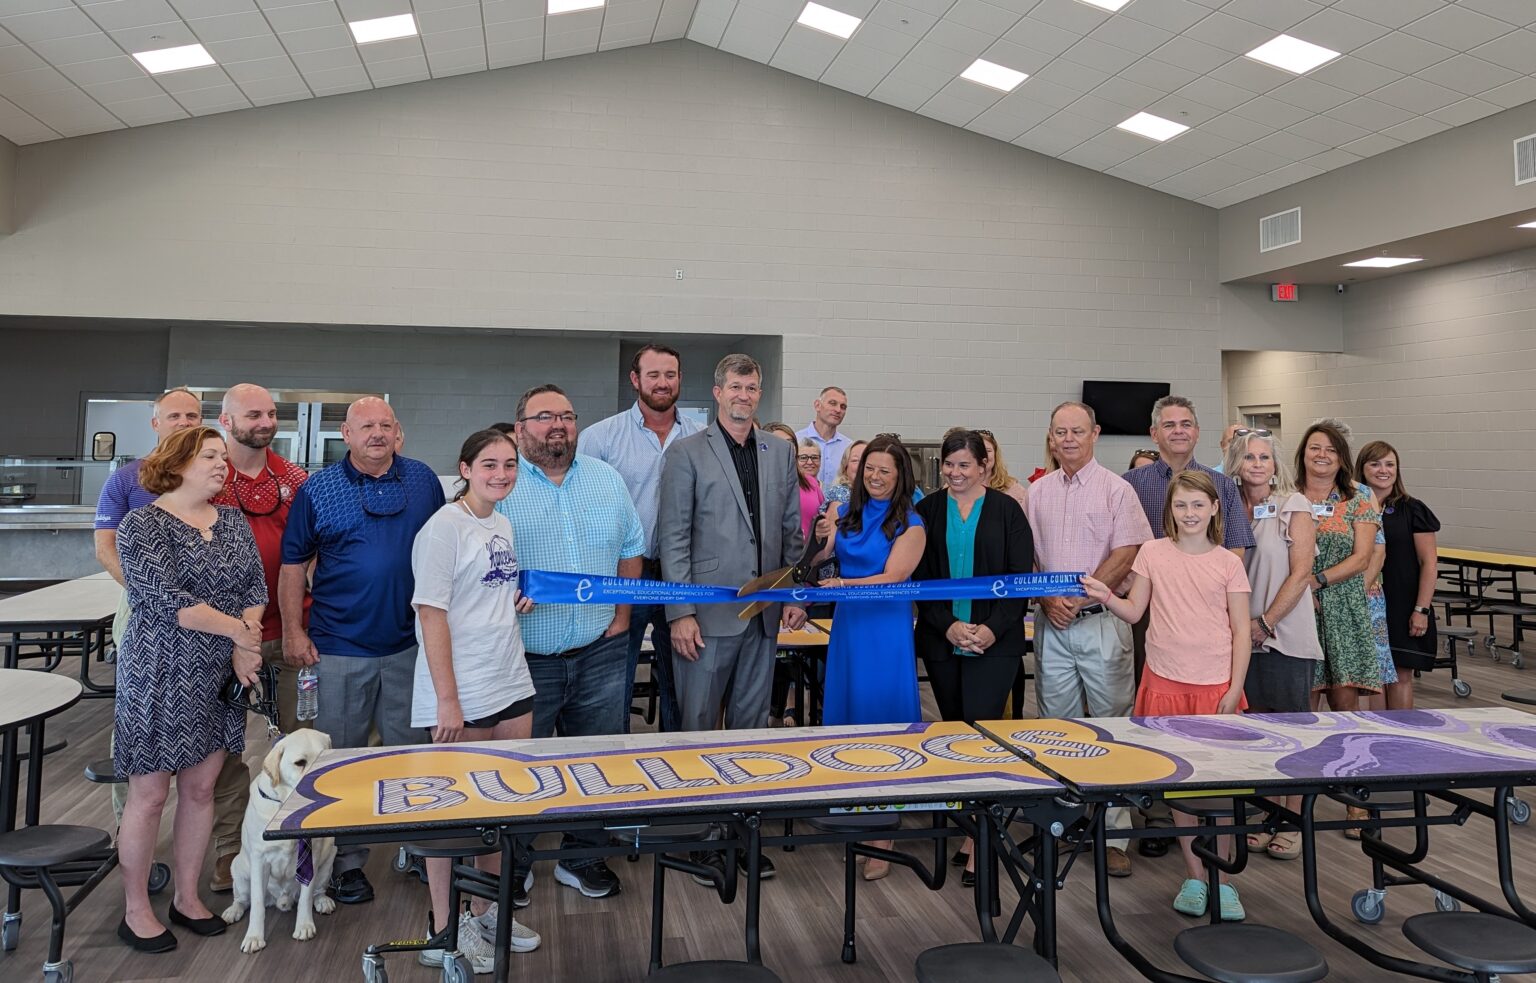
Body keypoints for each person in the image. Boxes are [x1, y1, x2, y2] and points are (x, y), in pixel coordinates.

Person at [279, 396, 444, 905]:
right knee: (342, 760)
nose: (377, 433)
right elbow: (292, 564)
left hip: (410, 645)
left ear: (399, 432)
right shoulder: (318, 489)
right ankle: (345, 862)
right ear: (346, 434)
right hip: (338, 646)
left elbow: (446, 551)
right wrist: (293, 631)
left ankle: (419, 850)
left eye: (385, 425)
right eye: (366, 425)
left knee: (411, 757)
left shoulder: (423, 481)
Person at [113, 425, 265, 952]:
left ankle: (186, 897)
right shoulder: (141, 525)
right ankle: (135, 909)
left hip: (217, 674)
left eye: (223, 456)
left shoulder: (233, 521)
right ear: (176, 464)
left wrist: (245, 641)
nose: (222, 464)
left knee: (201, 790)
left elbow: (254, 587)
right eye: (209, 456)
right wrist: (241, 635)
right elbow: (168, 601)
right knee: (151, 794)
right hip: (158, 674)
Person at [657, 354, 806, 882]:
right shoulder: (685, 453)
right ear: (717, 392)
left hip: (763, 615)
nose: (744, 395)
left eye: (752, 387)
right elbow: (673, 538)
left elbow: (791, 531)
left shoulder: (779, 451)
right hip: (706, 618)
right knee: (699, 728)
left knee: (751, 730)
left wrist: (794, 595)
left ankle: (742, 836)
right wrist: (680, 612)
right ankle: (701, 838)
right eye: (736, 386)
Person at [1081, 470, 1252, 922]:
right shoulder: (1153, 553)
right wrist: (1104, 594)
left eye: (1198, 505)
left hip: (1216, 687)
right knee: (1180, 785)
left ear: (1215, 508)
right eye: (1181, 505)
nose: (1189, 513)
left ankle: (1223, 880)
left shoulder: (1228, 563)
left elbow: (1241, 630)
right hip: (1164, 684)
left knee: (1222, 787)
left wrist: (1235, 688)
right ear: (1169, 510)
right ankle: (1194, 876)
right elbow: (1134, 610)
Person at [497, 384, 645, 901]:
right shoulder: (501, 482)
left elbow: (631, 548)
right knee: (521, 765)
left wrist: (623, 616)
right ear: (520, 428)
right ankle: (515, 862)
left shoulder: (606, 479)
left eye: (566, 415)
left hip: (600, 648)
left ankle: (582, 857)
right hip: (524, 656)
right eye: (544, 416)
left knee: (596, 759)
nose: (557, 425)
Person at [412, 430, 541, 967]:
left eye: (510, 465)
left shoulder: (502, 523)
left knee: (500, 805)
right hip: (460, 689)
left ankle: (486, 915)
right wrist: (447, 700)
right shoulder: (444, 527)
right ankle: (444, 931)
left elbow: (485, 592)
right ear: (465, 469)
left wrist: (517, 599)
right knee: (452, 815)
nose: (501, 474)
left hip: (508, 678)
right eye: (489, 464)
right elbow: (430, 613)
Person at [1026, 401, 1152, 879]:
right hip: (1052, 622)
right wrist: (1047, 599)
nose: (1069, 439)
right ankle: (1064, 822)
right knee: (1057, 727)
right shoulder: (1038, 492)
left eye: (1077, 431)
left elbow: (1128, 551)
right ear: (1051, 437)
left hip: (1101, 620)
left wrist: (1082, 596)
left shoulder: (1117, 489)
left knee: (1112, 726)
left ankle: (1114, 836)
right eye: (1061, 432)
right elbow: (1029, 555)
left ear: (1095, 433)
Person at [1122, 396, 1253, 856]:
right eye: (1169, 424)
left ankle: (1214, 825)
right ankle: (1161, 818)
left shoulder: (1223, 485)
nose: (1178, 430)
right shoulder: (1131, 483)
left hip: (1209, 625)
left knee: (1213, 738)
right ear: (1154, 433)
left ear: (1197, 431)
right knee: (1162, 728)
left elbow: (1235, 547)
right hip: (1151, 618)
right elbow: (1127, 549)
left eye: (1186, 423)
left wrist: (1202, 589)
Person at [202, 384, 312, 895]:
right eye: (253, 414)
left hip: (288, 630)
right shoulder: (208, 475)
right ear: (226, 420)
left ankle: (299, 841)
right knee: (222, 750)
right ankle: (232, 846)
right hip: (222, 638)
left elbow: (312, 551)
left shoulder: (295, 479)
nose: (266, 422)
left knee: (299, 741)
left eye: (271, 413)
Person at [913, 429, 1032, 885]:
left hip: (995, 643)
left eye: (965, 464)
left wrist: (990, 629)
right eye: (949, 464)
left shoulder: (1007, 511)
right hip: (942, 640)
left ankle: (980, 838)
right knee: (953, 733)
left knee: (983, 736)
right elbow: (920, 579)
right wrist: (948, 625)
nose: (955, 472)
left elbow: (1018, 580)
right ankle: (968, 823)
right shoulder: (928, 511)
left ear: (985, 466)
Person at [810, 433, 926, 880]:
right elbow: (820, 559)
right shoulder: (843, 512)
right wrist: (821, 538)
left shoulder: (911, 523)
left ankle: (884, 835)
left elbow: (895, 577)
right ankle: (855, 819)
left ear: (900, 477)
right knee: (850, 717)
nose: (875, 477)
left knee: (883, 721)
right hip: (848, 628)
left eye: (885, 471)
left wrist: (843, 586)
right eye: (870, 469)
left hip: (885, 630)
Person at [92, 388, 204, 831]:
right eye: (174, 416)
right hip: (141, 607)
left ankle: (201, 822)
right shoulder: (127, 479)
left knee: (204, 711)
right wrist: (151, 593)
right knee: (140, 714)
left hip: (207, 609)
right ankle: (129, 826)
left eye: (192, 415)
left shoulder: (215, 473)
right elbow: (105, 547)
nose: (184, 422)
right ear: (156, 423)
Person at [579, 344, 704, 734]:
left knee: (682, 679)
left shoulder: (703, 438)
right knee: (613, 679)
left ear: (680, 379)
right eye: (653, 375)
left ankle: (678, 758)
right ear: (635, 380)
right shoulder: (600, 439)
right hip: (623, 575)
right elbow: (583, 508)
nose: (662, 383)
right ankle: (614, 759)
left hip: (681, 577)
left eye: (670, 374)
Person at [1227, 429, 1323, 862]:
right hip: (1240, 638)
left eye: (1264, 457)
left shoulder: (1292, 505)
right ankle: (1266, 813)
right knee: (1255, 731)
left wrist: (1265, 623)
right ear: (1236, 463)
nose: (1257, 464)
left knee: (1292, 731)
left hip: (1283, 634)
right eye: (1249, 457)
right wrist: (1245, 629)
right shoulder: (1228, 506)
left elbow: (1301, 573)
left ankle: (1292, 821)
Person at [1294, 421, 1381, 713]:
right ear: (1303, 454)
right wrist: (1300, 589)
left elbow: (1362, 558)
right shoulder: (1286, 496)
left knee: (1344, 700)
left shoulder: (1358, 499)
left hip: (1344, 605)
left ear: (1342, 458)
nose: (1322, 455)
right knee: (1302, 694)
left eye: (1331, 450)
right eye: (1315, 448)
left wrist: (1314, 581)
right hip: (1296, 605)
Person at [1358, 440, 1441, 710]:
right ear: (1362, 468)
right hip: (1365, 600)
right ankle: (1377, 731)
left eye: (1389, 464)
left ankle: (1402, 731)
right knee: (1372, 676)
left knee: (1400, 675)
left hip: (1404, 603)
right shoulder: (1352, 506)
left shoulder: (1412, 509)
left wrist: (1421, 609)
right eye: (1375, 464)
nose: (1383, 470)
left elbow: (1429, 563)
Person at [797, 386, 850, 489]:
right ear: (817, 405)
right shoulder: (796, 440)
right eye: (832, 403)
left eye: (843, 407)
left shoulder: (848, 447)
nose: (838, 410)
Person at [977, 430, 1028, 509]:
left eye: (988, 451)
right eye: (978, 450)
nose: (984, 455)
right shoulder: (960, 488)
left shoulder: (1012, 488)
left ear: (995, 454)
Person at [824, 439, 867, 506]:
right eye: (855, 460)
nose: (861, 465)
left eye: (866, 459)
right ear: (845, 467)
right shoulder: (840, 493)